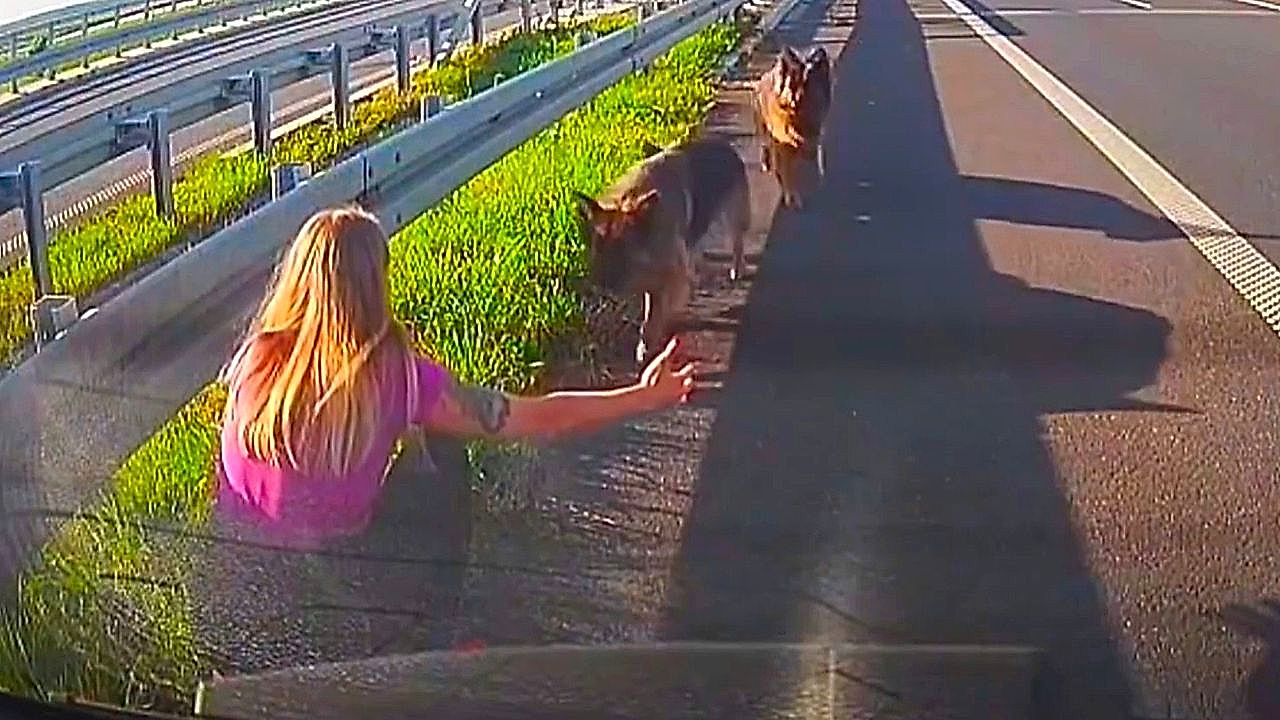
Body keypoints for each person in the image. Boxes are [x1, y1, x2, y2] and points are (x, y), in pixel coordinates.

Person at [214, 205, 696, 548]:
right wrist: (642, 397)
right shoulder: (396, 376)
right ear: (376, 283)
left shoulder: (254, 357)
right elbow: (540, 418)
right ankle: (430, 628)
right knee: (444, 451)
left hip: (237, 576)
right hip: (338, 576)